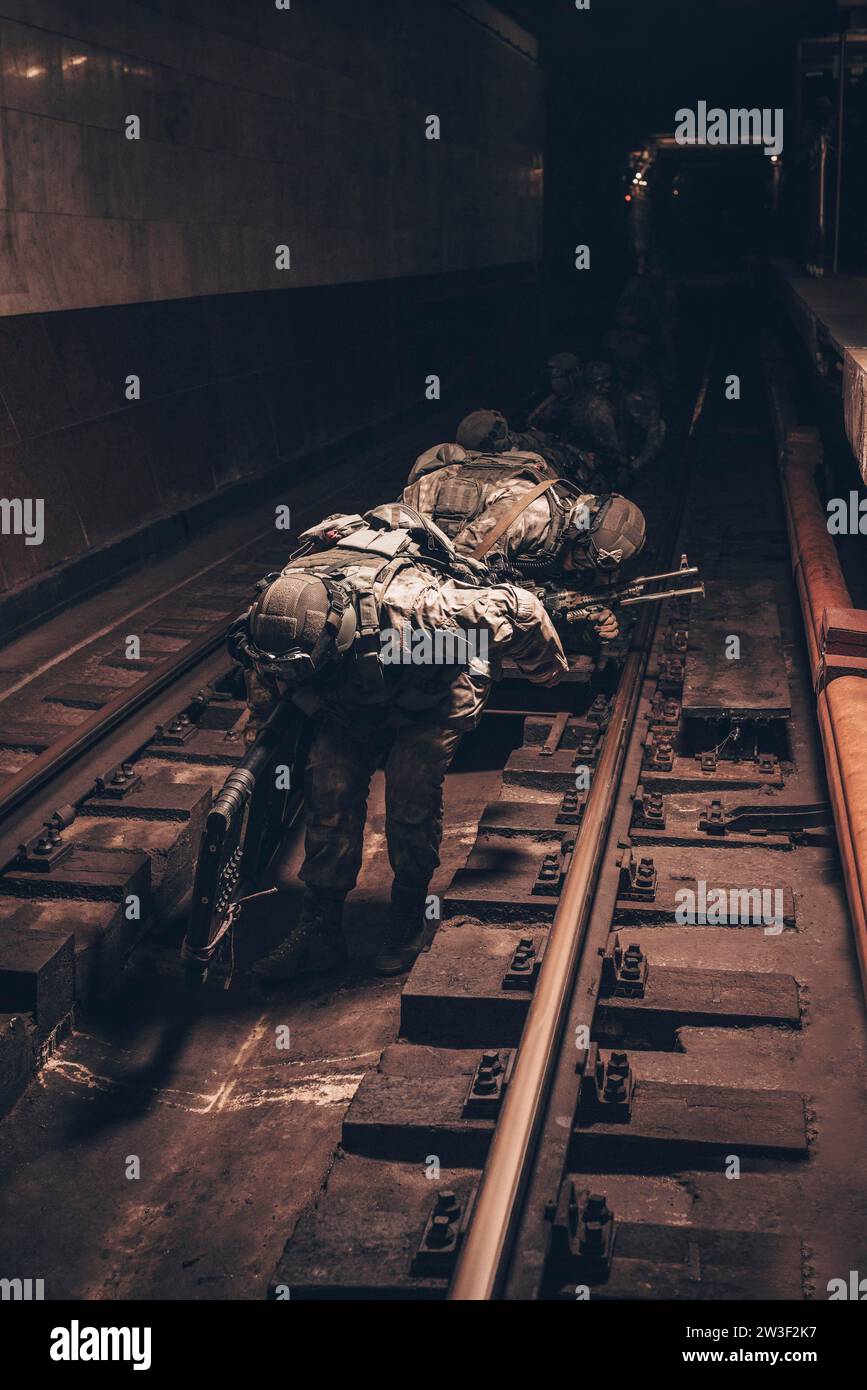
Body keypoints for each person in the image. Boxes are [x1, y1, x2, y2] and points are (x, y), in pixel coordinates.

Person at [229, 503, 568, 984]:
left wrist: (545, 675)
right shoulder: (271, 621)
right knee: (329, 784)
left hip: (434, 676)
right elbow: (265, 683)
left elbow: (520, 607)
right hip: (350, 690)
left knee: (411, 789)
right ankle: (321, 929)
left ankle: (408, 914)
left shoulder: (421, 609)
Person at [403, 454, 646, 643]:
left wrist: (585, 616)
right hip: (417, 521)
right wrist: (531, 603)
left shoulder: (580, 519)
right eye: (581, 560)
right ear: (578, 536)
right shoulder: (528, 518)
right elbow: (454, 577)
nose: (576, 568)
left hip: (477, 548)